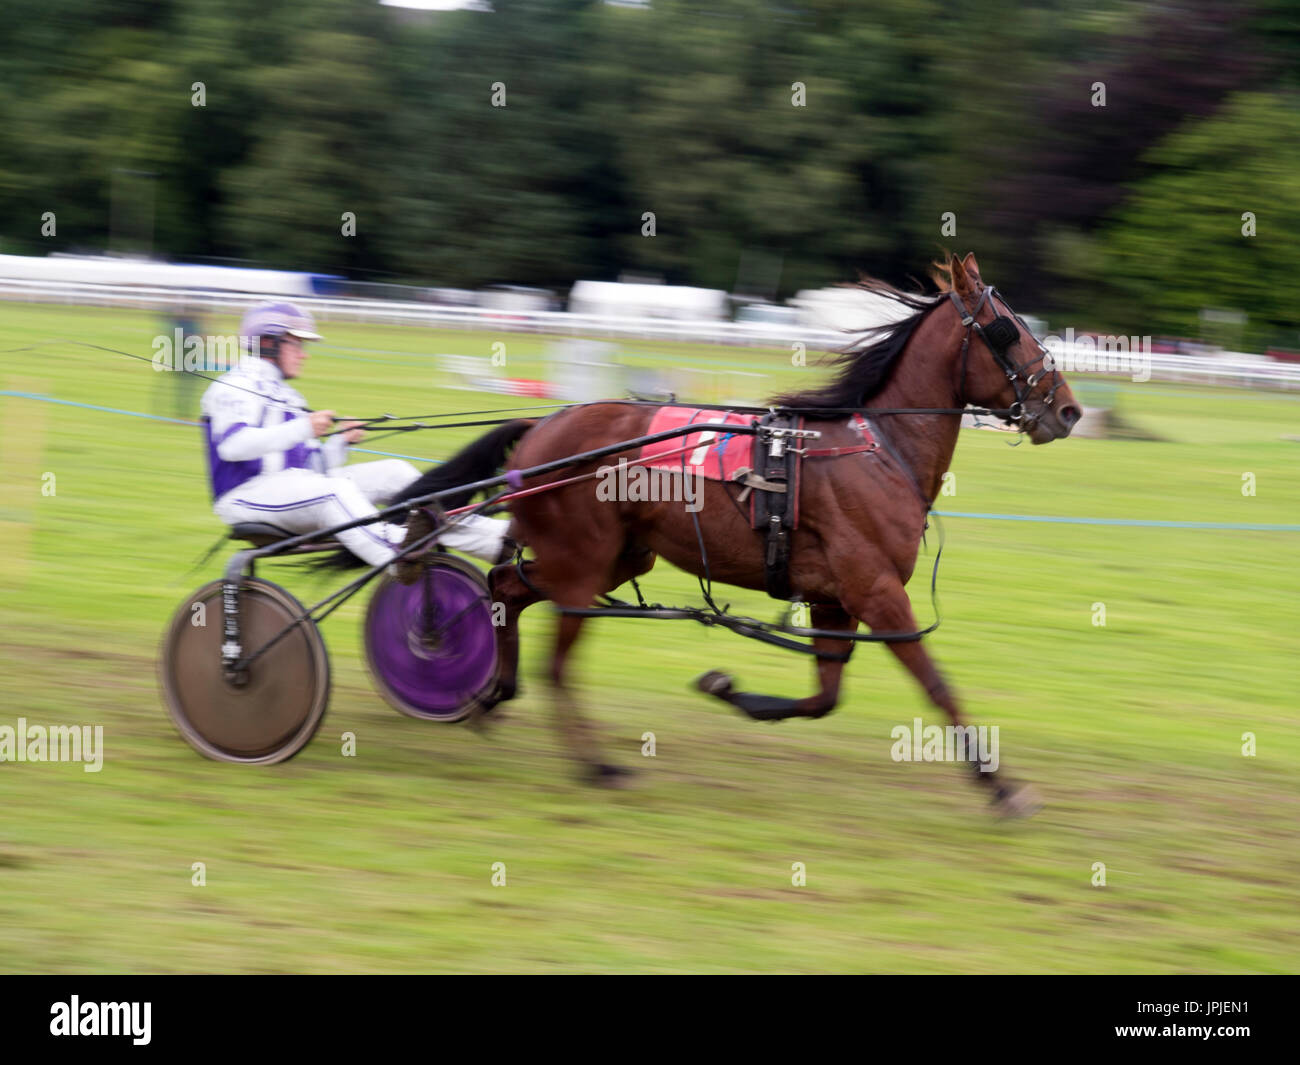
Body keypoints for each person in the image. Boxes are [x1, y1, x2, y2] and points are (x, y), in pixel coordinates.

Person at [200, 301, 510, 569]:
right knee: (333, 492)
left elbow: (313, 469)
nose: (304, 354)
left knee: (395, 473)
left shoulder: (288, 395)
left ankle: (495, 540)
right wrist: (304, 428)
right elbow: (233, 446)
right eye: (296, 344)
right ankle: (399, 552)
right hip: (245, 497)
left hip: (290, 488)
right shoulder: (235, 385)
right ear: (268, 343)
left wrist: (339, 442)